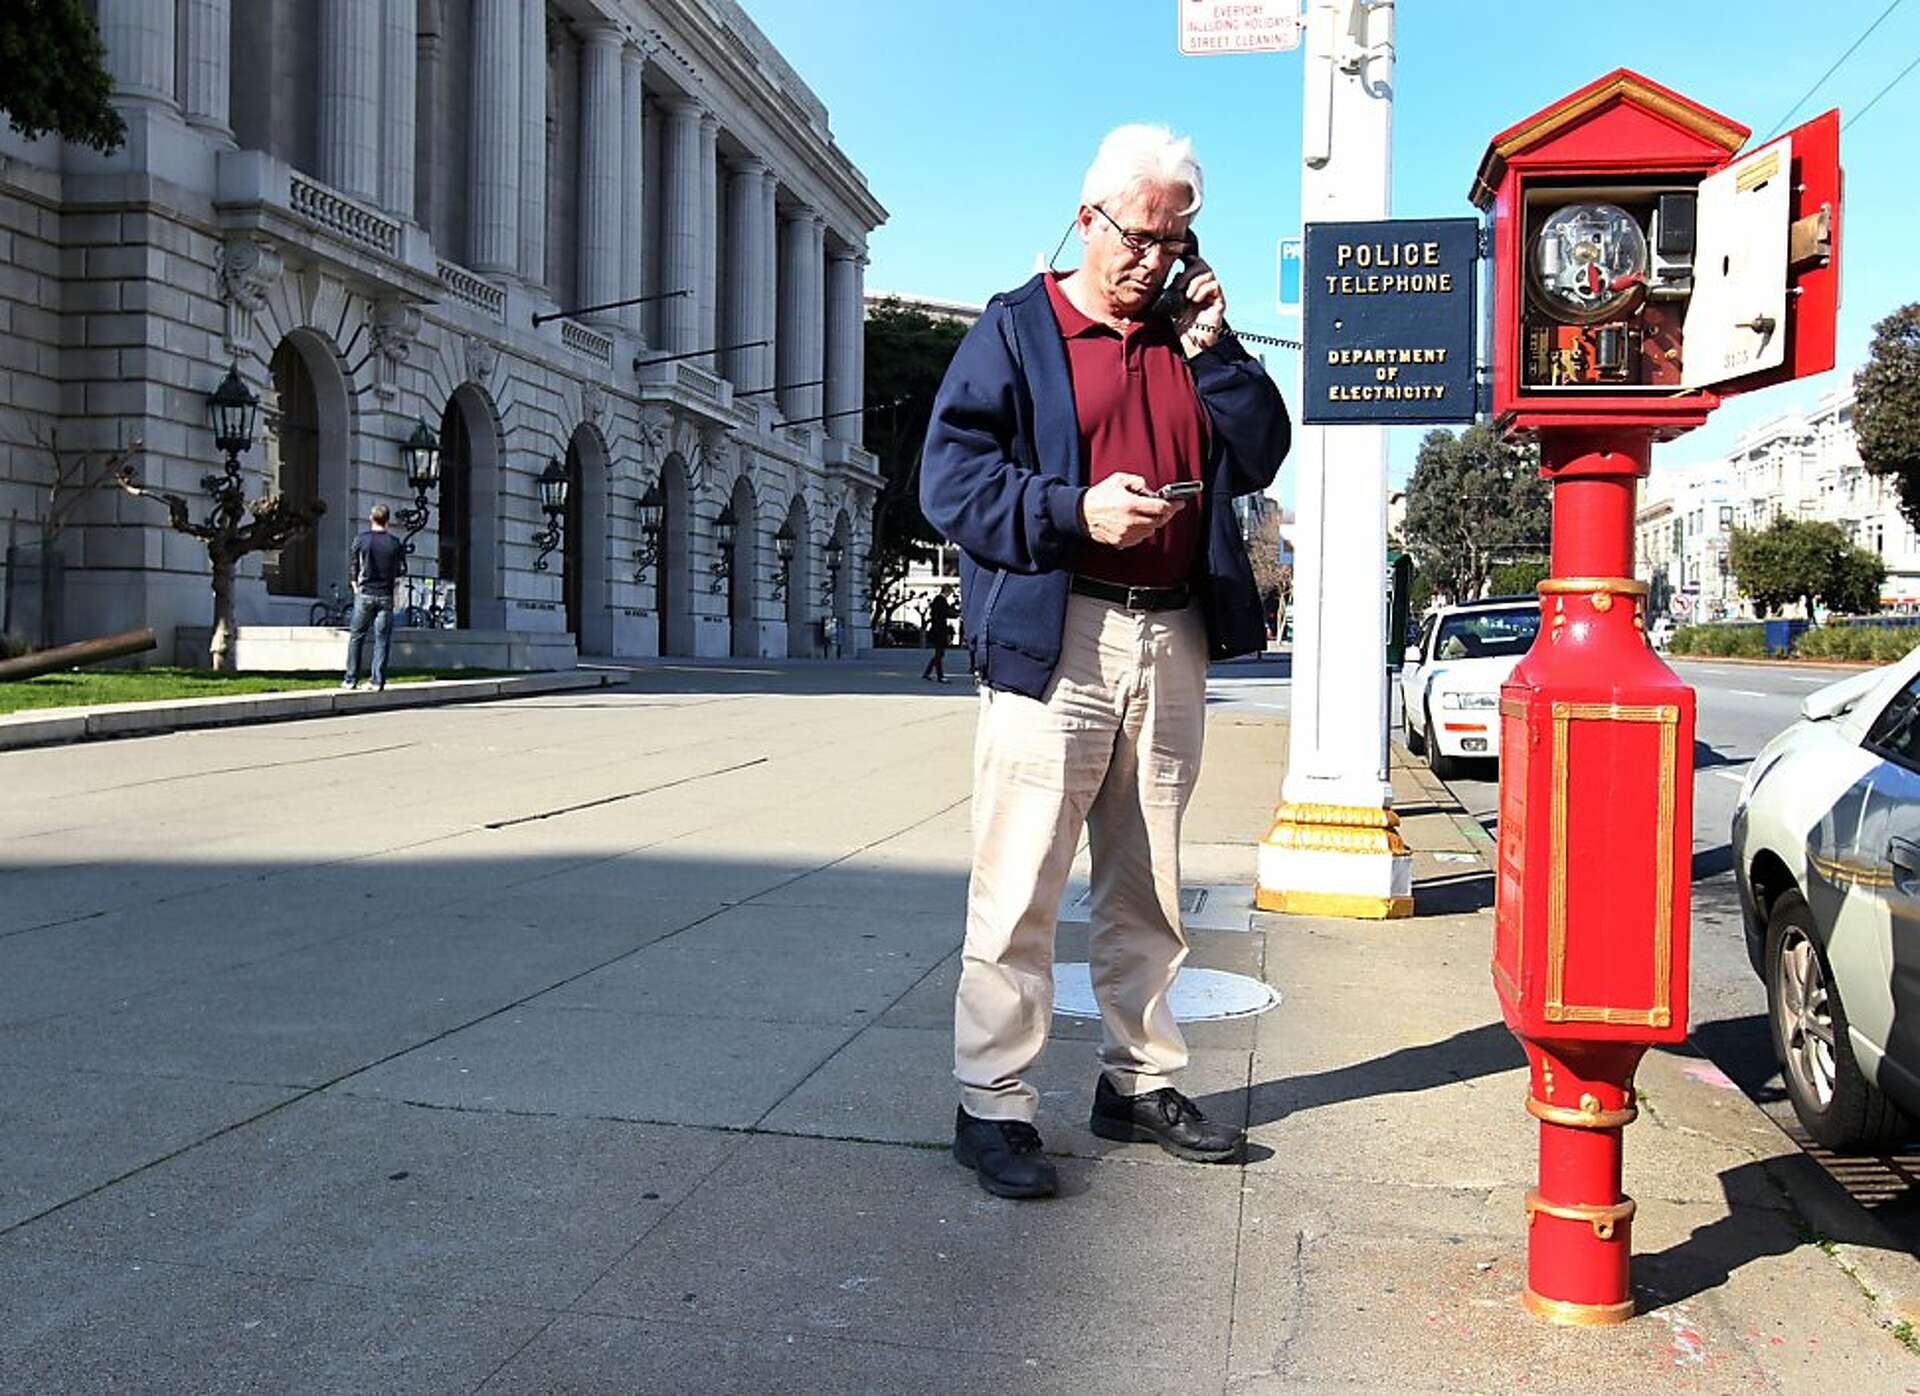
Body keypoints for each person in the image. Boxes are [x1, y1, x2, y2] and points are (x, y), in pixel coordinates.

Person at [920, 124, 1290, 1198]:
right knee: (1022, 877)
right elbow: (950, 484)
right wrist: (1072, 508)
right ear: (1089, 219)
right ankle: (992, 1103)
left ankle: (1138, 1080)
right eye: (1140, 237)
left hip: (1171, 630)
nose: (1155, 261)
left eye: (1176, 243)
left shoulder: (1189, 336)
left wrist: (1216, 350)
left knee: (1150, 877)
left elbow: (1261, 447)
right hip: (1061, 626)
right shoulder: (1016, 329)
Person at [342, 503, 406, 691]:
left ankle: (350, 678)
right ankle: (377, 680)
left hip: (365, 593)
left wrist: (355, 586)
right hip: (385, 595)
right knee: (382, 639)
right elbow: (400, 571)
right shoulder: (394, 543)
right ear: (388, 521)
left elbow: (354, 566)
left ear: (371, 518)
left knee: (357, 636)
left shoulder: (361, 540)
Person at [922, 589, 955, 683]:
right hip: (939, 631)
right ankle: (940, 676)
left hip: (937, 629)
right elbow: (945, 612)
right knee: (939, 654)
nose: (950, 595)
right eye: (950, 593)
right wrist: (957, 614)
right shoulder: (941, 600)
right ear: (947, 591)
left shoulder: (937, 600)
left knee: (939, 654)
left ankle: (927, 673)